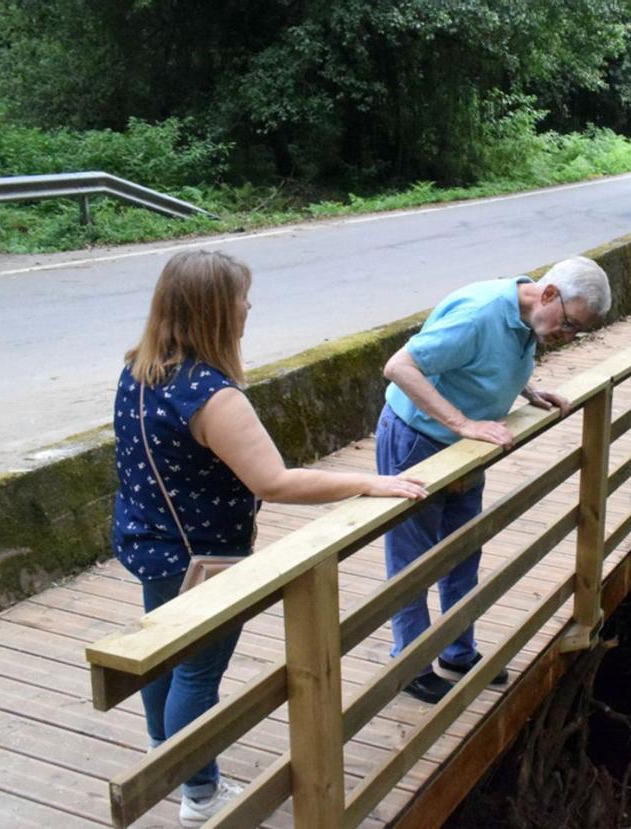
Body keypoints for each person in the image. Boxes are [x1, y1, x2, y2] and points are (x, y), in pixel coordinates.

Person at [112, 250, 427, 828]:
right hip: (203, 557)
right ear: (213, 310)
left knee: (162, 660)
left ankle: (166, 760)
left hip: (146, 542)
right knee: (196, 672)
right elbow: (274, 482)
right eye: (240, 297)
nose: (248, 306)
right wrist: (367, 479)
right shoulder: (212, 395)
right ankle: (200, 792)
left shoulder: (140, 368)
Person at [378, 256, 612, 704]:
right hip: (418, 439)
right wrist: (462, 423)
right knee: (414, 559)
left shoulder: (529, 313)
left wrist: (525, 390)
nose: (568, 336)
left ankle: (457, 652)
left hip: (467, 448)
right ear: (548, 294)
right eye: (569, 324)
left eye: (578, 331)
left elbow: (485, 364)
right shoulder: (481, 314)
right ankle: (410, 664)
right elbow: (399, 367)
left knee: (463, 550)